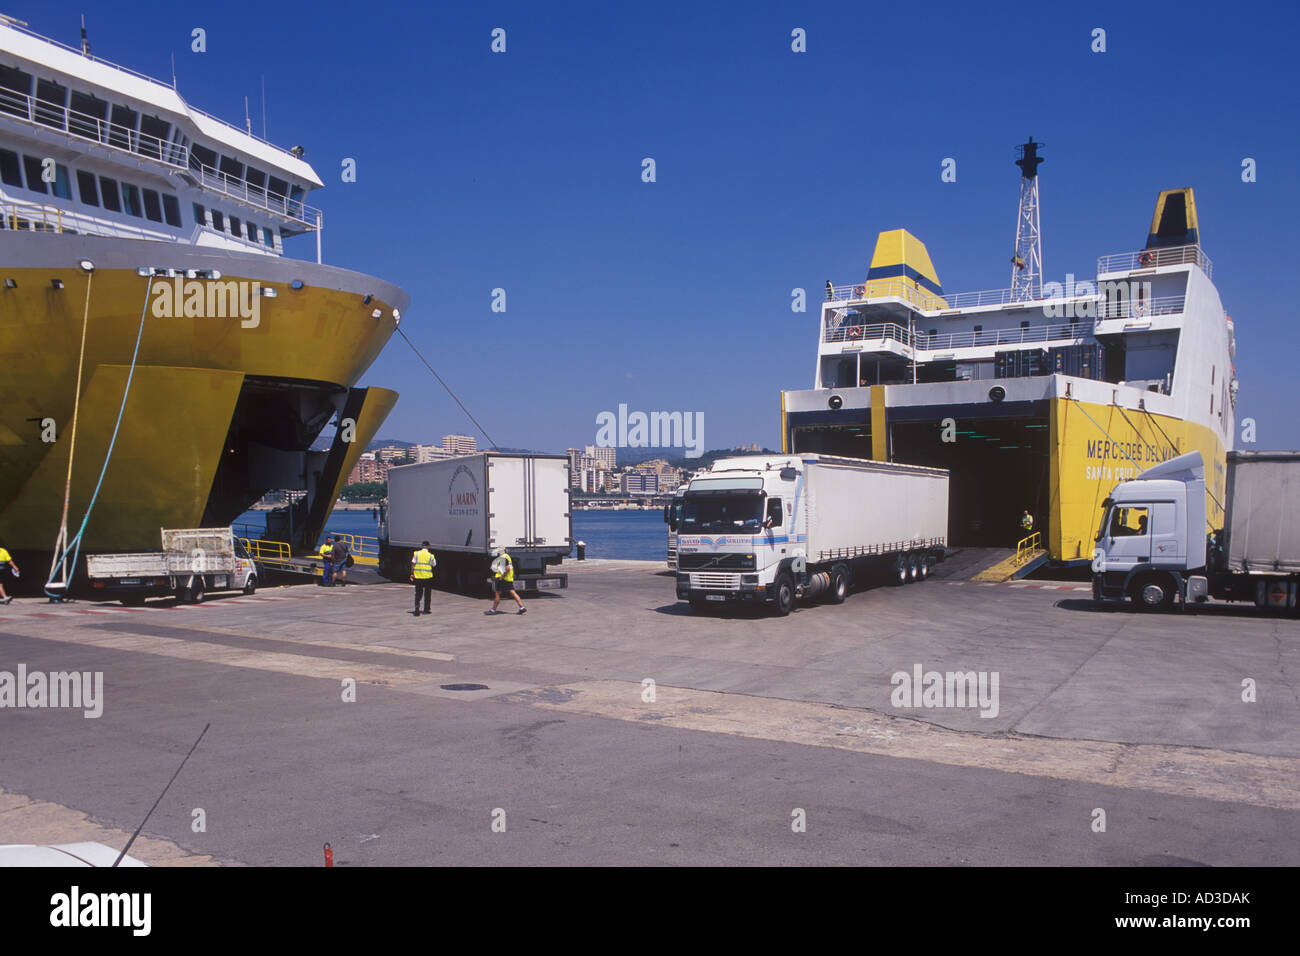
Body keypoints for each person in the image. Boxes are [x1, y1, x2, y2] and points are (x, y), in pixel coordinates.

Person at [487, 548, 525, 615]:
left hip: (503, 579)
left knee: (497, 594)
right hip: (508, 579)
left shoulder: (503, 558)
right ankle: (522, 608)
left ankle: (493, 610)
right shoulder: (507, 556)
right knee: (513, 592)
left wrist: (502, 577)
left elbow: (507, 568)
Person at [410, 540, 436, 616]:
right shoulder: (431, 556)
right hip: (428, 577)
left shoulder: (416, 554)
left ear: (422, 546)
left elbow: (413, 564)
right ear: (428, 546)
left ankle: (417, 609)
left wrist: (412, 574)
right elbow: (434, 564)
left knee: (418, 593)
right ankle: (426, 610)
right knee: (427, 594)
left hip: (418, 577)